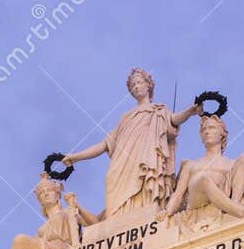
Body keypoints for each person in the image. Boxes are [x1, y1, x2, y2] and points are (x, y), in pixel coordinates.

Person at [62, 67, 199, 216]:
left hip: (146, 159)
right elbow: (103, 145)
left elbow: (174, 119)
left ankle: (143, 214)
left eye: (139, 82)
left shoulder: (158, 110)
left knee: (144, 184)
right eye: (133, 85)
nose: (136, 86)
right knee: (111, 180)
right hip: (122, 163)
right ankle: (118, 221)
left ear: (148, 85)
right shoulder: (125, 118)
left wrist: (190, 112)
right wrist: (76, 157)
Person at [165, 112, 244, 219]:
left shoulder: (231, 164)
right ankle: (239, 211)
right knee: (203, 179)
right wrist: (167, 212)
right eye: (204, 129)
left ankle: (234, 205)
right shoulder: (190, 164)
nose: (207, 132)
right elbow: (178, 194)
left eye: (211, 128)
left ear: (222, 134)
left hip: (222, 197)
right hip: (196, 200)